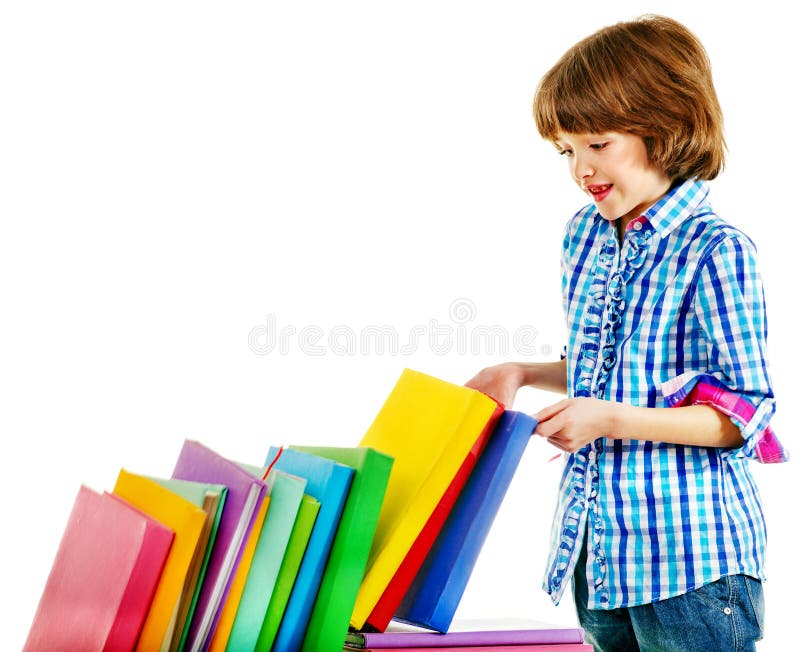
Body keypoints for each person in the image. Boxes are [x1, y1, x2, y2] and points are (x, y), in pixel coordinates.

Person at [466, 15, 787, 652]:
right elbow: (610, 360)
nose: (581, 169)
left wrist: (609, 420)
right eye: (566, 150)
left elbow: (742, 414)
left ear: (664, 129)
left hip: (692, 563)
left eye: (598, 143)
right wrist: (524, 374)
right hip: (601, 552)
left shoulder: (716, 251)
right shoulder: (583, 236)